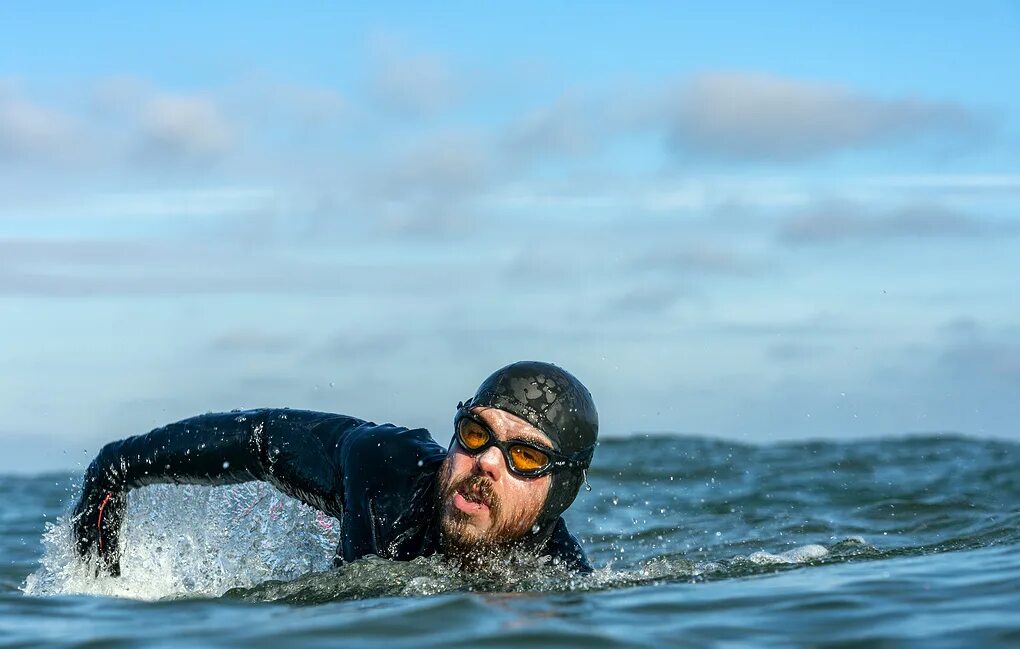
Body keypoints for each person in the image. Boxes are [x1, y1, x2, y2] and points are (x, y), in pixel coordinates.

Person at [72, 361, 599, 576]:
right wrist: (115, 469)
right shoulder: (381, 471)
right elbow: (256, 438)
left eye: (525, 456)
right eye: (476, 434)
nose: (485, 460)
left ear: (560, 492)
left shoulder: (561, 578)